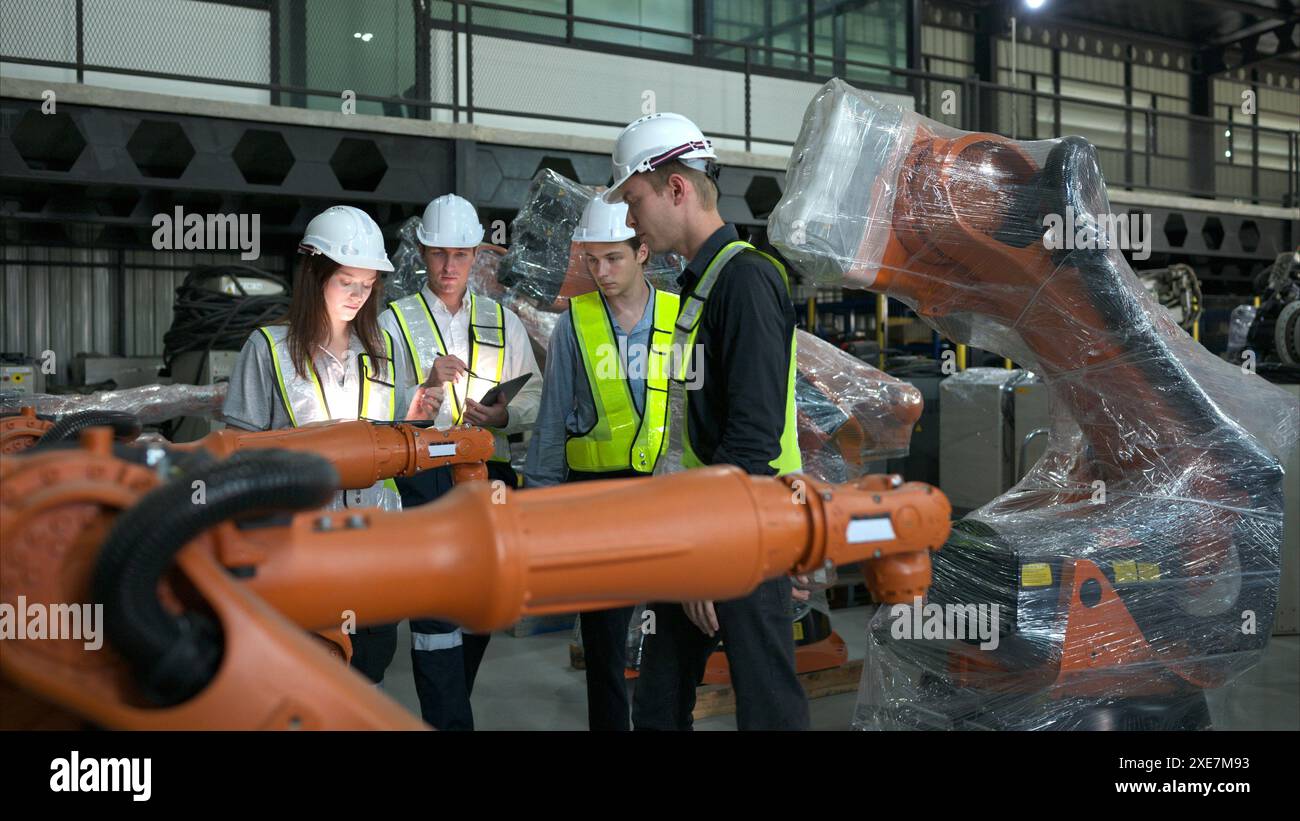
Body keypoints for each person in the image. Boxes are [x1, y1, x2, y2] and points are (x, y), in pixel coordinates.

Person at [603, 112, 810, 730]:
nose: (630, 218)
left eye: (634, 199)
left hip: (742, 527)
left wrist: (707, 552)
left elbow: (752, 434)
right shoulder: (700, 284)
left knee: (766, 702)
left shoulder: (744, 281)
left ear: (677, 189)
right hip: (701, 523)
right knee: (661, 699)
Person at [222, 204, 441, 685]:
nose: (359, 295)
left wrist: (422, 412)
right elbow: (235, 457)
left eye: (368, 285)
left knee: (367, 670)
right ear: (314, 274)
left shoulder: (384, 351)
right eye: (347, 281)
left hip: (378, 546)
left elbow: (396, 434)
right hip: (298, 552)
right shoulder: (269, 350)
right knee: (303, 679)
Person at [377, 193, 542, 730]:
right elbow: (371, 402)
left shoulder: (505, 323)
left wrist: (500, 417)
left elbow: (535, 398)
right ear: (422, 252)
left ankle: (451, 708)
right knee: (435, 611)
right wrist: (422, 388)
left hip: (489, 478)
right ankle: (449, 721)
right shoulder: (393, 324)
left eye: (461, 255)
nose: (449, 267)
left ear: (477, 256)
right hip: (424, 480)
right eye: (438, 254)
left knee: (481, 605)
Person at [524, 195, 678, 730]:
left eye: (613, 258)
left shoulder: (682, 321)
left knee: (673, 634)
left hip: (668, 493)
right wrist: (537, 509)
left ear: (643, 254)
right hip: (597, 498)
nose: (601, 272)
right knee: (604, 643)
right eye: (591, 260)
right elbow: (550, 422)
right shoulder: (575, 325)